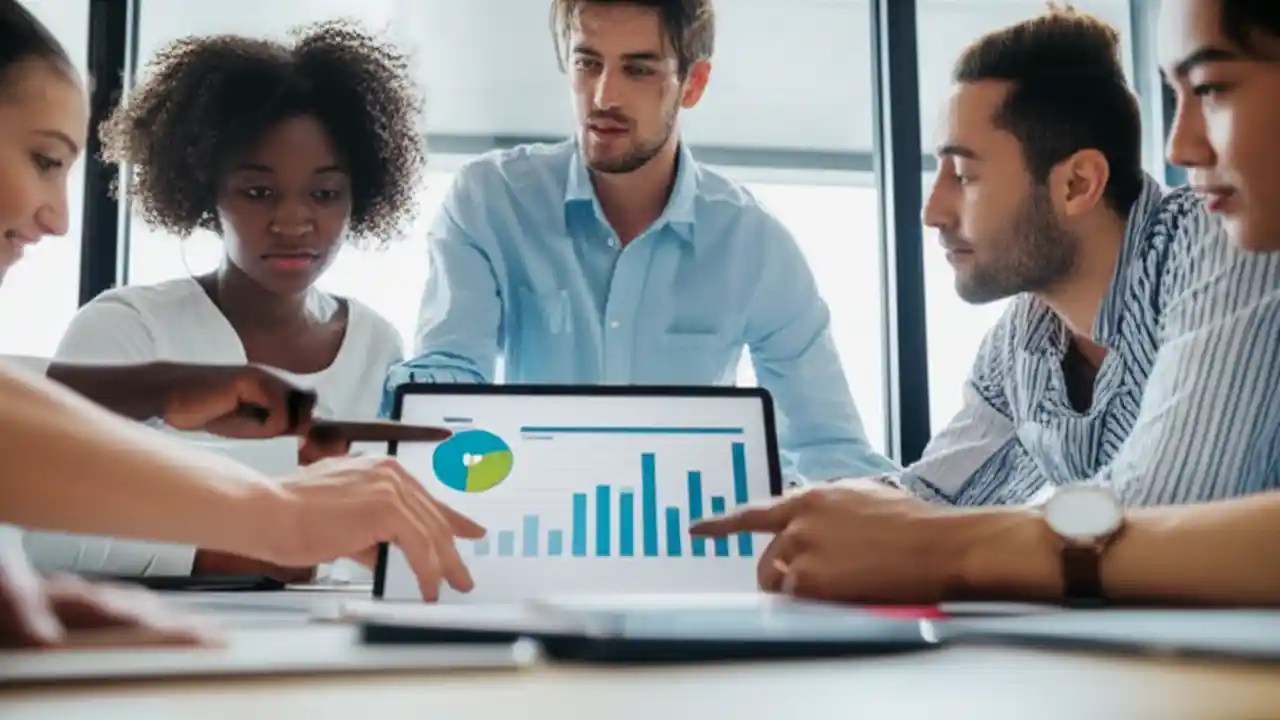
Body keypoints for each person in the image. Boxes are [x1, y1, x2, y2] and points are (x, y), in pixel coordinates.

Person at [693, 0, 1280, 606]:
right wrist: (786, 512)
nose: (932, 211)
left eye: (964, 176)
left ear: (1077, 184)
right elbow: (928, 499)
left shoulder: (1222, 240)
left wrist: (931, 543)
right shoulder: (1024, 335)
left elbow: (1161, 514)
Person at [0, 0, 479, 647]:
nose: (58, 218)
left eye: (324, 193)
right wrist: (262, 526)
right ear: (206, 191)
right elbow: (44, 506)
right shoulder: (128, 324)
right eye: (45, 159)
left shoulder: (378, 342)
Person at [383, 0, 896, 484]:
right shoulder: (491, 201)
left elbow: (832, 450)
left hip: (693, 545)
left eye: (639, 69)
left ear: (692, 84)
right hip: (533, 526)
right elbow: (447, 380)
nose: (604, 96)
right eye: (588, 63)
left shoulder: (754, 245)